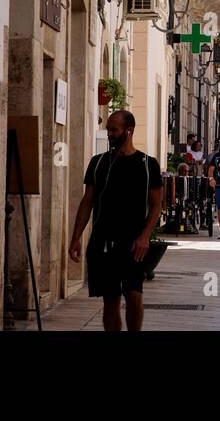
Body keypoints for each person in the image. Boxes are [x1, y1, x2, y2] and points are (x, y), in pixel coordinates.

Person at [68, 111, 163, 331]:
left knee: (134, 296)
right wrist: (75, 238)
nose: (109, 134)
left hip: (133, 244)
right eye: (108, 129)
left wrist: (144, 236)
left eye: (114, 129)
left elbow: (156, 205)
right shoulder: (99, 162)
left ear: (128, 131)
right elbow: (87, 202)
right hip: (102, 241)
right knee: (110, 300)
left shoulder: (148, 165)